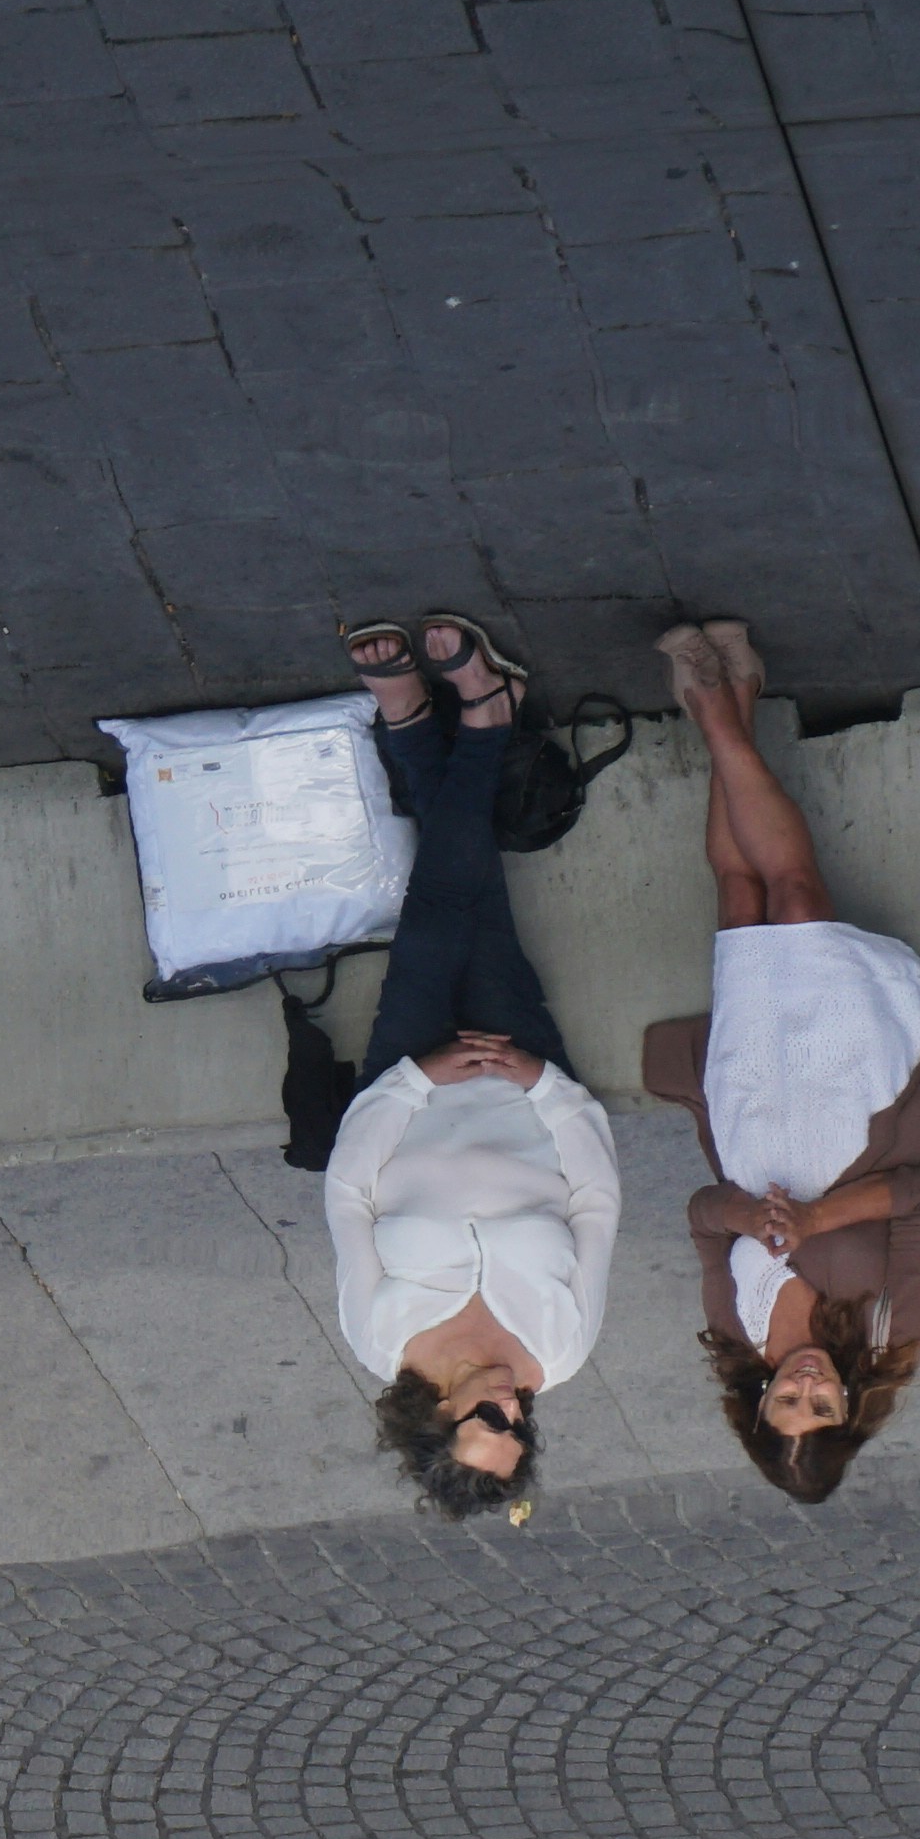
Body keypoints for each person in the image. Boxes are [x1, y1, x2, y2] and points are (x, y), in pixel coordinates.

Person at [639, 618, 920, 1503]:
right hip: (855, 1107)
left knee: (741, 901)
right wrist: (818, 1223)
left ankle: (735, 698)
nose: (805, 1383)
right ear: (847, 1409)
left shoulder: (734, 1334)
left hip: (756, 1118)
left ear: (760, 1404)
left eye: (786, 1402)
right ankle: (715, 709)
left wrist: (751, 1215)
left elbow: (699, 1217)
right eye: (821, 1405)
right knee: (798, 905)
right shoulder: (894, 1333)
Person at [312, 611, 616, 1521]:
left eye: (491, 1418)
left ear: (439, 1416)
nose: (515, 1405)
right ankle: (431, 726)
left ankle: (469, 723)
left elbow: (347, 1197)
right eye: (521, 1426)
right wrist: (540, 1084)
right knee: (466, 907)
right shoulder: (562, 1347)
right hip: (527, 1085)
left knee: (443, 916)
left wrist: (417, 1079)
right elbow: (595, 1203)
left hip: (407, 1090)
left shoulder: (381, 1338)